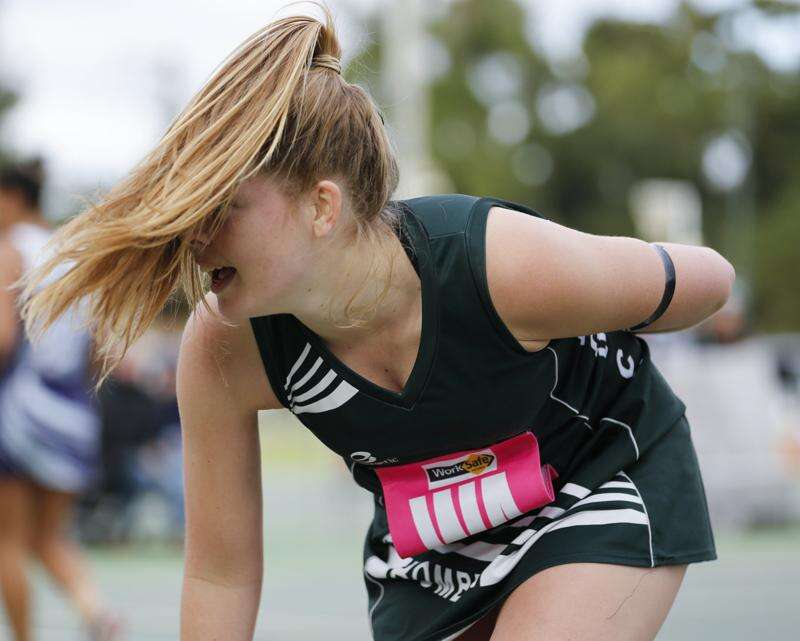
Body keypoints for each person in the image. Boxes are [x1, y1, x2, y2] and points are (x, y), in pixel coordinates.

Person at [20, 4, 731, 640]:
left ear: (322, 208)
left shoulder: (497, 266)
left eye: (222, 208)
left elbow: (708, 278)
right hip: (438, 539)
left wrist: (655, 291)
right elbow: (220, 575)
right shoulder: (226, 348)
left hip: (598, 472)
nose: (196, 236)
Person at [0, 160, 120, 640]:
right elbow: (102, 350)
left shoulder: (10, 252)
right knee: (47, 537)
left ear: (11, 198)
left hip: (20, 411)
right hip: (72, 411)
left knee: (7, 540)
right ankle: (96, 613)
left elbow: (4, 341)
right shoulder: (72, 255)